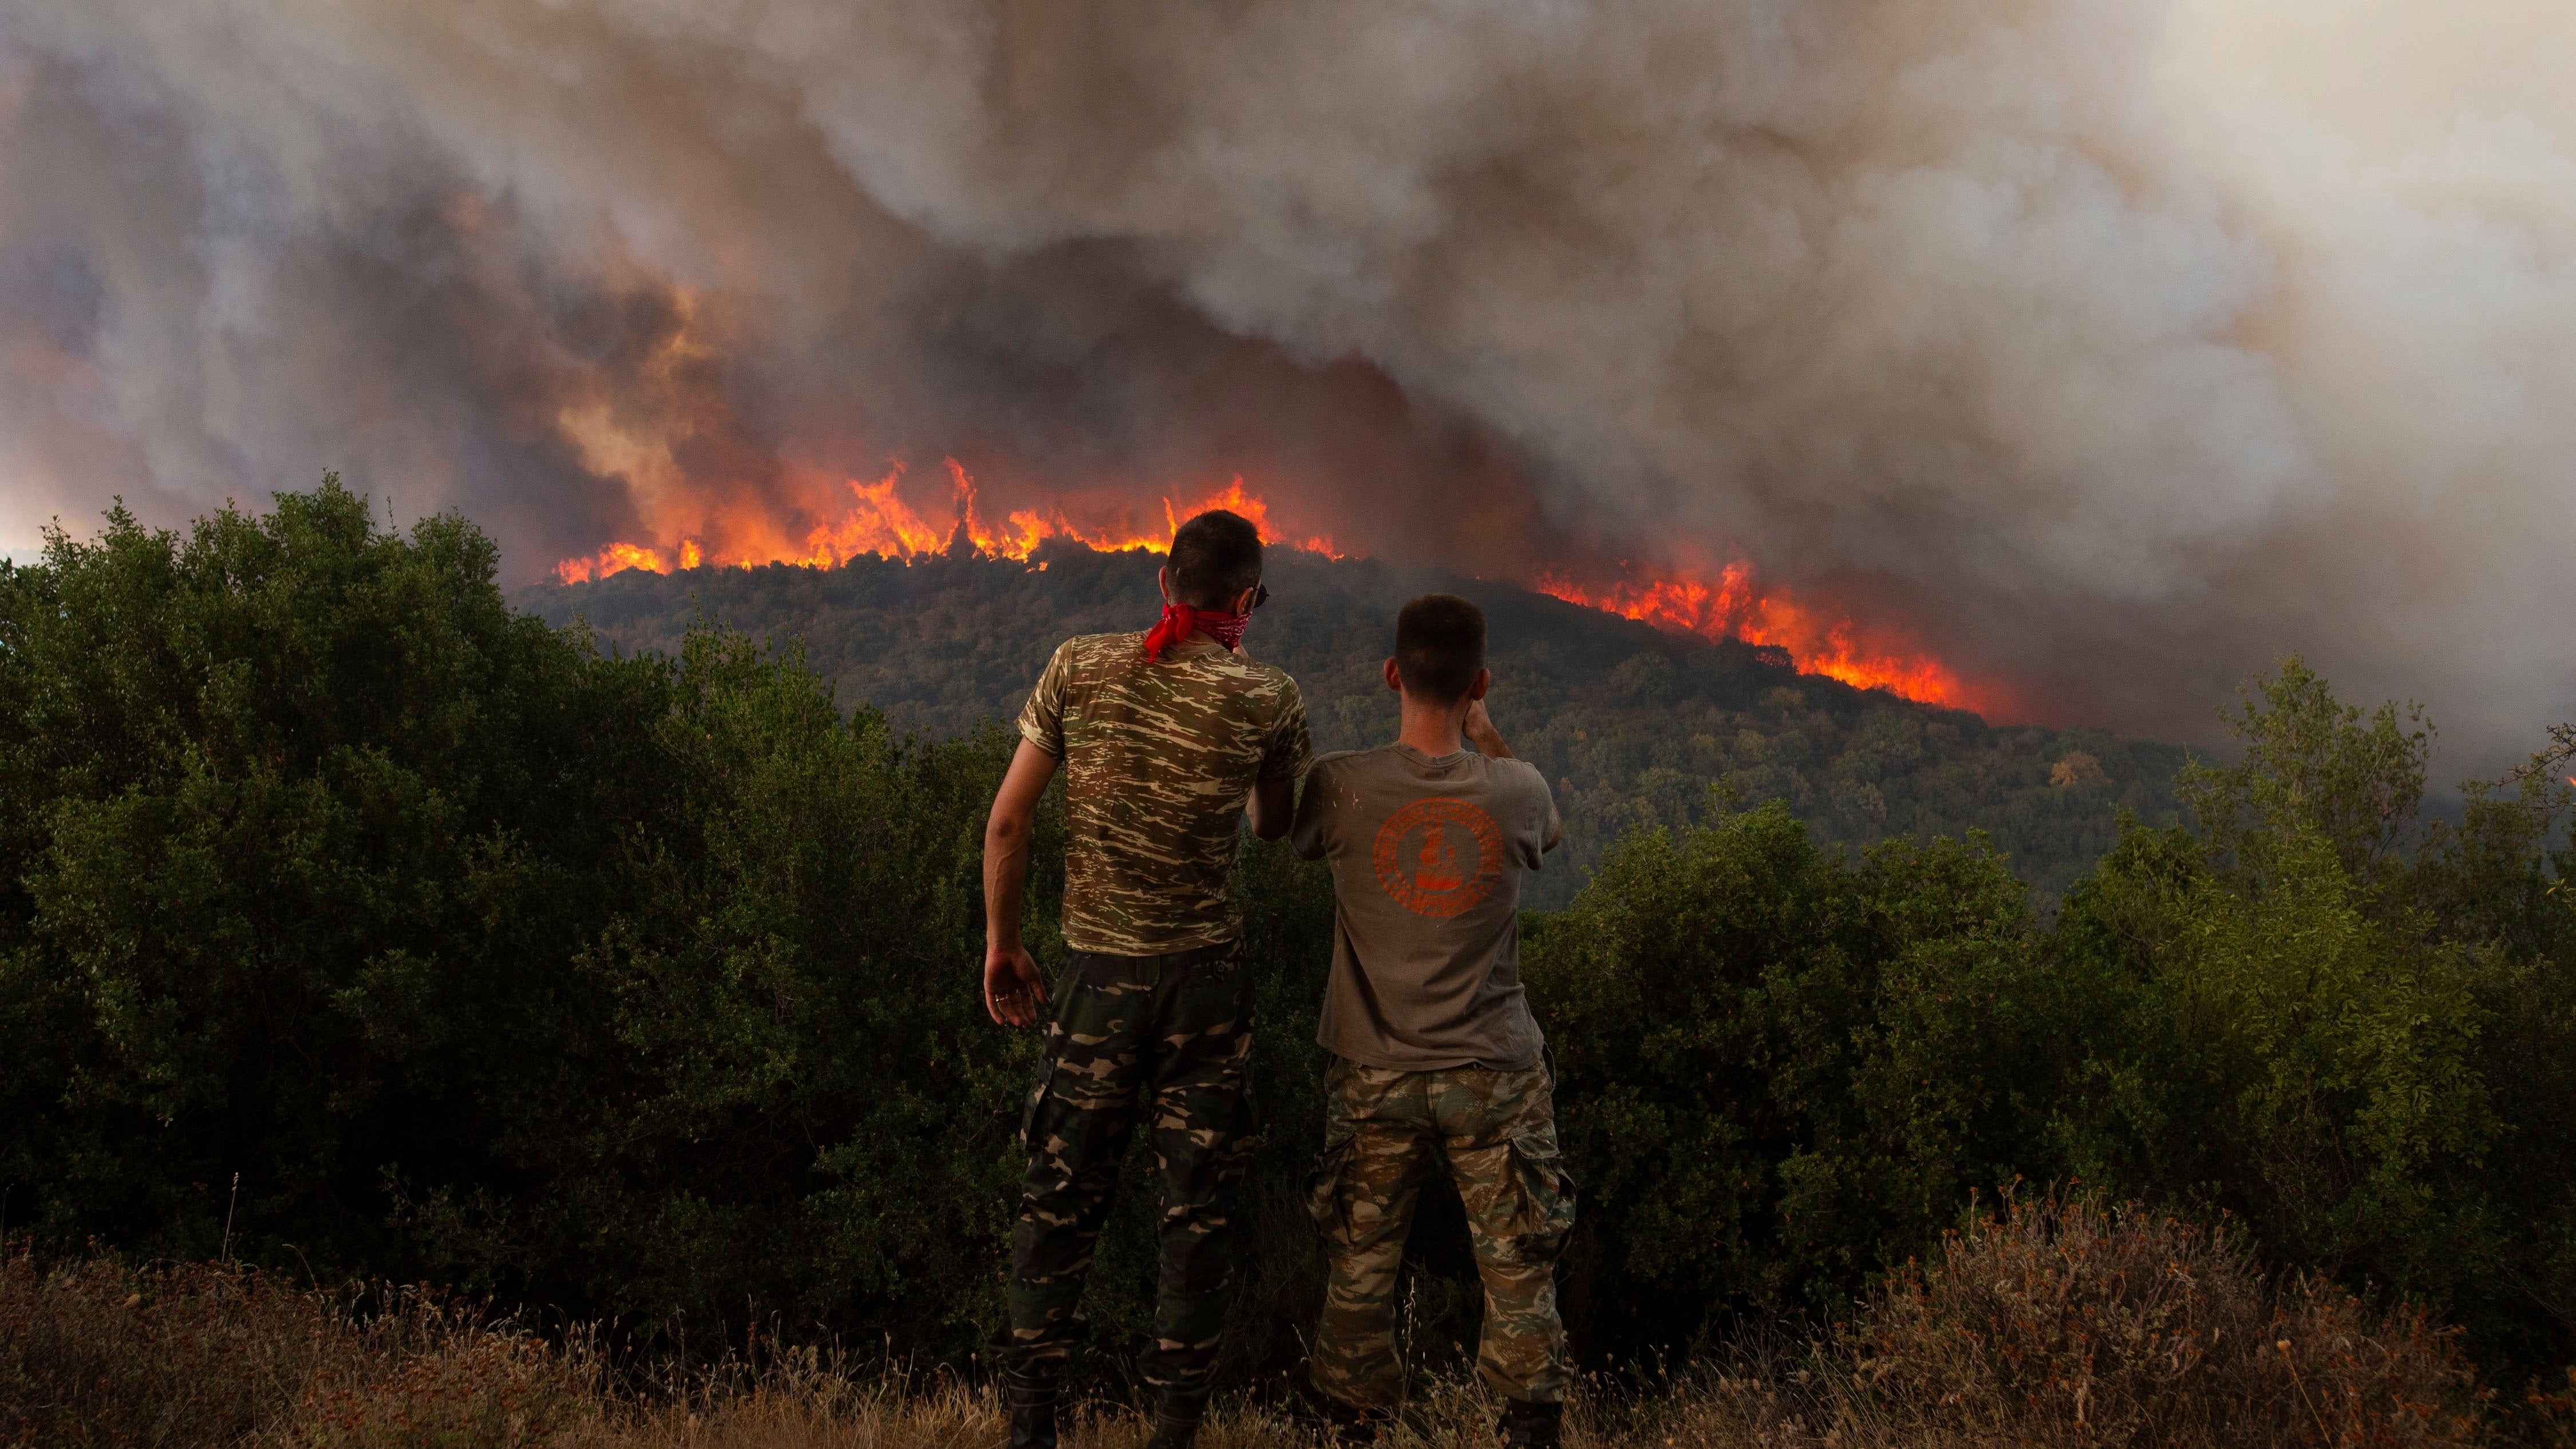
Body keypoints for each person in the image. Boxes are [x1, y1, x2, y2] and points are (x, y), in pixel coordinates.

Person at [980, 509, 1314, 1449]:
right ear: (1245, 600)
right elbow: (1273, 827)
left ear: (1165, 585)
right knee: (1196, 1214)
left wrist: (1003, 944)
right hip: (1205, 989)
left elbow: (1008, 825)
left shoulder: (1077, 665)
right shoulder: (1269, 698)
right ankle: (1173, 1431)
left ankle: (1033, 1423)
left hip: (1094, 981)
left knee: (1058, 1203)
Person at [1289, 594, 1575, 1449]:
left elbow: (1289, 837)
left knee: (1359, 1271)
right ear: (1480, 683)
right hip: (1493, 1072)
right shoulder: (1517, 789)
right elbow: (1548, 834)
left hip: (1374, 1071)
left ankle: (1350, 1428)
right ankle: (1528, 1431)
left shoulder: (1338, 786)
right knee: (1520, 1267)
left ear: (1390, 675)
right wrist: (1486, 735)